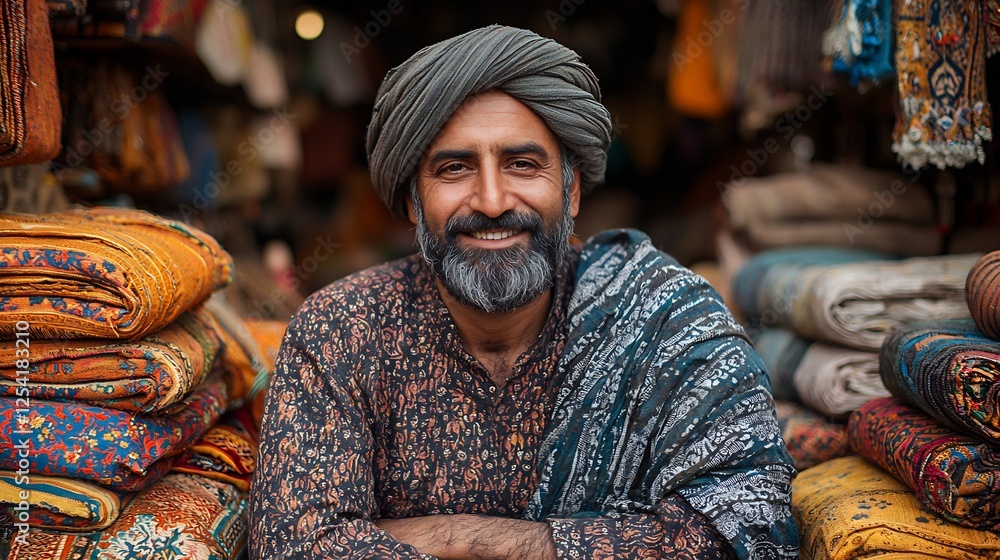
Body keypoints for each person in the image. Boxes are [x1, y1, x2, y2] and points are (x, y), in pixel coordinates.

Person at [249, 25, 798, 560]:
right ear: (414, 202)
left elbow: (751, 531)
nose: (491, 201)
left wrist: (464, 539)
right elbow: (290, 543)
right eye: (455, 167)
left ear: (573, 189)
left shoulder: (667, 321)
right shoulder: (343, 329)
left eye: (522, 164)